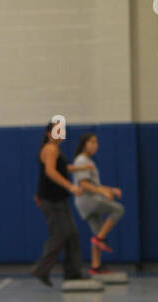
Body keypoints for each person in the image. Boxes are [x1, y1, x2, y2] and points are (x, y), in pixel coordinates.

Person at [32, 122, 89, 286]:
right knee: (59, 235)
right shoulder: (50, 149)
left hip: (58, 199)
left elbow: (62, 168)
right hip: (51, 200)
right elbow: (51, 172)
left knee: (71, 234)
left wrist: (81, 168)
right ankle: (41, 269)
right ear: (49, 134)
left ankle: (73, 273)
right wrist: (71, 186)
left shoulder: (54, 150)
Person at [68, 132, 125, 276]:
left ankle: (96, 267)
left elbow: (94, 184)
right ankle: (101, 238)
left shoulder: (88, 161)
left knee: (97, 231)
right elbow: (84, 184)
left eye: (97, 142)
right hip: (88, 200)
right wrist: (104, 193)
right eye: (92, 142)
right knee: (118, 209)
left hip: (85, 203)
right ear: (84, 144)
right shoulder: (82, 161)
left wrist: (111, 189)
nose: (95, 145)